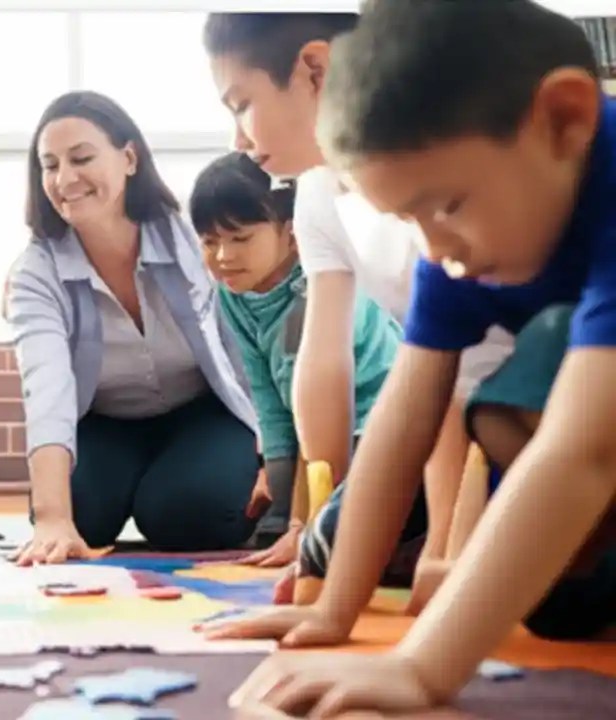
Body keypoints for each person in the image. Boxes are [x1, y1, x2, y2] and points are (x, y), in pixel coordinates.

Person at [222, 1, 616, 714]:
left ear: (564, 120)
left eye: (447, 205)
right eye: (406, 219)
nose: (433, 250)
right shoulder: (453, 249)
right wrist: (336, 610)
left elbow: (585, 450)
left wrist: (422, 668)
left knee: (554, 350)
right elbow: (405, 421)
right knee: (553, 598)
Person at [202, 10, 515, 610]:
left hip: (515, 411)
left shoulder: (439, 171)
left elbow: (457, 379)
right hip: (439, 421)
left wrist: (445, 550)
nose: (237, 140)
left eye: (241, 105)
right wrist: (311, 515)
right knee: (331, 547)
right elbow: (323, 365)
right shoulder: (318, 193)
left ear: (315, 69)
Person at [7, 90, 262, 565]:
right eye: (49, 165)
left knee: (190, 516)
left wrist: (275, 458)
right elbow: (46, 391)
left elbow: (246, 347)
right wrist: (51, 517)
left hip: (204, 411)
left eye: (81, 158)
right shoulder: (35, 274)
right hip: (107, 422)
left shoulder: (192, 239)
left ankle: (179, 484)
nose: (65, 179)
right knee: (78, 515)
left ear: (129, 158)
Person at [188, 153, 413, 587]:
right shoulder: (234, 297)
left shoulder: (316, 287)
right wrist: (278, 486)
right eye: (209, 241)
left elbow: (320, 406)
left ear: (290, 235)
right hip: (312, 421)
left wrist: (300, 522)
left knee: (326, 533)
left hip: (371, 422)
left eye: (239, 238)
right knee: (269, 528)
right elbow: (268, 396)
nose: (222, 256)